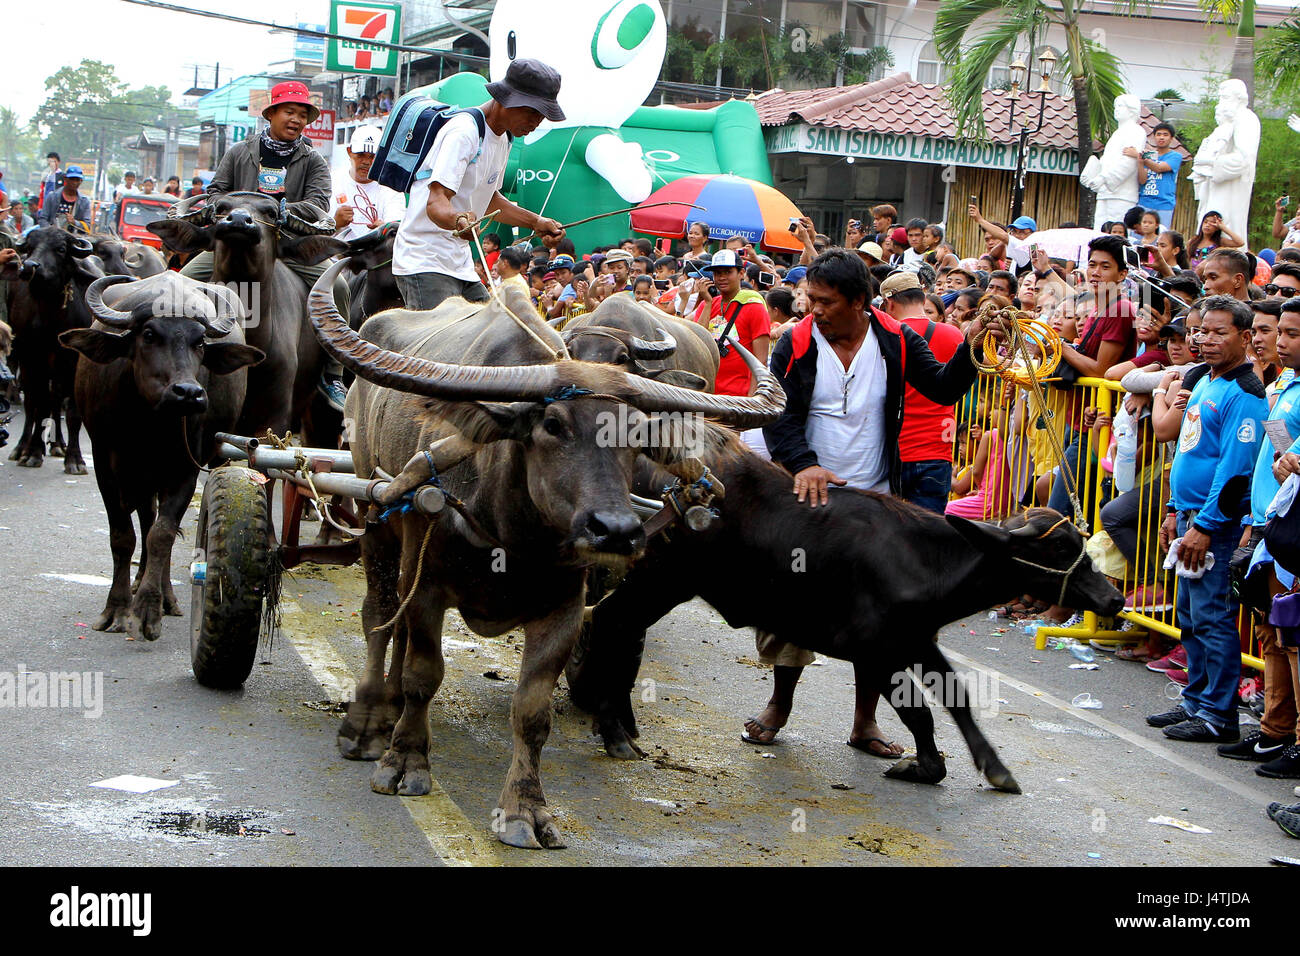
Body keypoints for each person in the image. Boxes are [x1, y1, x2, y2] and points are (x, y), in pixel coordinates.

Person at [745, 249, 990, 754]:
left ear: (860, 301)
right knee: (791, 602)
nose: (813, 309)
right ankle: (780, 703)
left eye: (825, 301)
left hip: (876, 501)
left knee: (876, 616)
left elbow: (944, 389)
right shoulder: (793, 342)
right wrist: (805, 463)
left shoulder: (897, 340)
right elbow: (779, 415)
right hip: (807, 495)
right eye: (809, 299)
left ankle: (865, 723)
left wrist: (973, 347)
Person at [1148, 296, 1268, 742]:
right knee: (1190, 615)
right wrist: (1175, 513)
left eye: (1220, 332)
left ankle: (1219, 714)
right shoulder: (1203, 381)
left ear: (1244, 336)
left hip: (1216, 526)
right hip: (1190, 517)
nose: (1206, 340)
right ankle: (1195, 701)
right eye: (1202, 331)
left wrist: (1205, 526)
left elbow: (1235, 472)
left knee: (1213, 617)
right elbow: (1185, 448)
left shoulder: (1246, 394)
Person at [393, 59, 566, 311]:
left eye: (542, 115)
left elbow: (489, 199)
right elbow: (436, 202)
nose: (536, 122)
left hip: (460, 263)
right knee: (443, 344)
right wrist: (458, 220)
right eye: (532, 112)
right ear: (507, 99)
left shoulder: (504, 137)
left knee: (496, 333)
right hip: (425, 261)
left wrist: (535, 222)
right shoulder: (464, 132)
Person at [879, 270, 965, 513]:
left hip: (896, 450)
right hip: (937, 449)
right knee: (930, 536)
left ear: (890, 303)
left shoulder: (885, 336)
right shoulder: (953, 334)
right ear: (923, 299)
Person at [695, 249, 769, 396]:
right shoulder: (706, 305)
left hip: (739, 398)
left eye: (728, 272)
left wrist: (752, 399)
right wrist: (708, 302)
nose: (722, 277)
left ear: (741, 274)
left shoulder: (755, 307)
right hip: (707, 394)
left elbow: (761, 361)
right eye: (717, 273)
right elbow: (698, 344)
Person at [330, 124, 407, 242]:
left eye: (372, 157)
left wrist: (386, 230)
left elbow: (397, 229)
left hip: (376, 257)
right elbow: (315, 232)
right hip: (337, 256)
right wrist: (335, 224)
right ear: (349, 152)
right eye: (360, 155)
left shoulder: (391, 187)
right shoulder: (332, 181)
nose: (366, 162)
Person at [1132, 122, 1183, 229]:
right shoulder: (1148, 155)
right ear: (1154, 137)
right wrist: (1140, 162)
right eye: (1158, 134)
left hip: (1163, 204)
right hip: (1144, 202)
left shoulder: (1175, 156)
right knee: (1139, 236)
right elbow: (1142, 180)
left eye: (1165, 135)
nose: (1161, 137)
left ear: (1171, 138)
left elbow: (1159, 168)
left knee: (1160, 236)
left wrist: (1139, 156)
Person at [37, 165, 90, 229]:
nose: (74, 183)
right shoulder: (52, 197)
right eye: (72, 179)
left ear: (81, 181)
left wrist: (75, 222)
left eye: (77, 180)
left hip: (74, 236)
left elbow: (87, 226)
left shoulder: (84, 201)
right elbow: (43, 219)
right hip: (52, 235)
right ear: (65, 179)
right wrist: (51, 230)